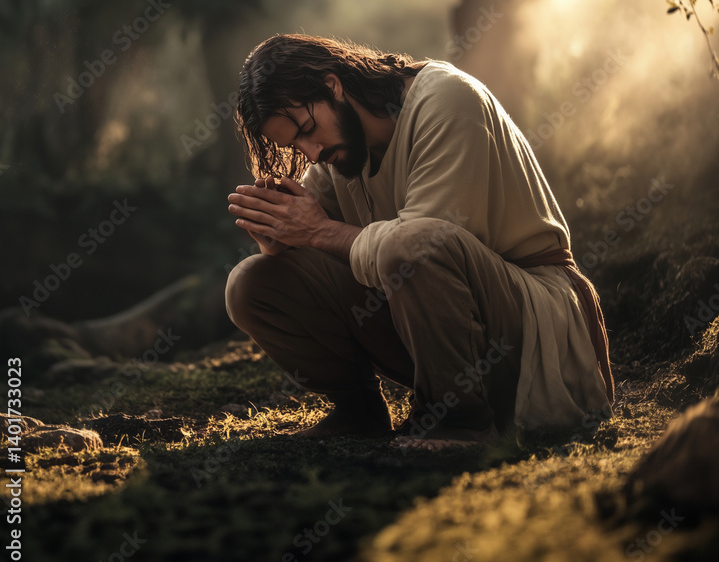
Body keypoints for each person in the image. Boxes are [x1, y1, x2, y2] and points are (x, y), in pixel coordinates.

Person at [225, 33, 614, 448]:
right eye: (295, 144)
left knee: (410, 247)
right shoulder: (340, 149)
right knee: (253, 282)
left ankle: (465, 423)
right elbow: (323, 241)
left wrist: (318, 231)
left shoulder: (447, 100)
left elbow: (426, 243)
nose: (312, 151)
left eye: (306, 129)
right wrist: (279, 235)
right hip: (447, 330)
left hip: (537, 321)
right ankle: (358, 411)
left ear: (332, 84)